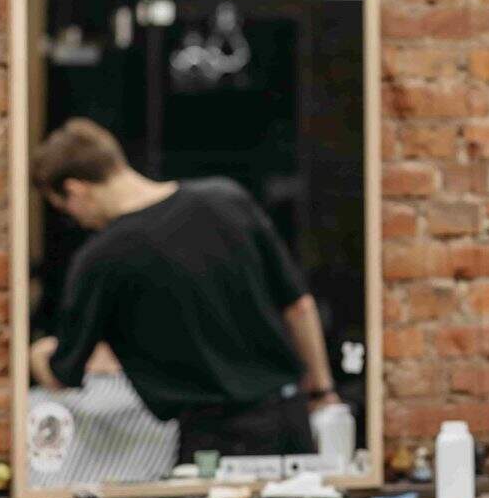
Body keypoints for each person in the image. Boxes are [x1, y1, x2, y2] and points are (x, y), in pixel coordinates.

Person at [28, 118, 340, 467]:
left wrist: (38, 354)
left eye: (64, 208)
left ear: (76, 190)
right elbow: (299, 307)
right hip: (290, 414)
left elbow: (64, 373)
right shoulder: (227, 199)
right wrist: (322, 392)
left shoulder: (101, 258)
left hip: (217, 436)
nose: (76, 220)